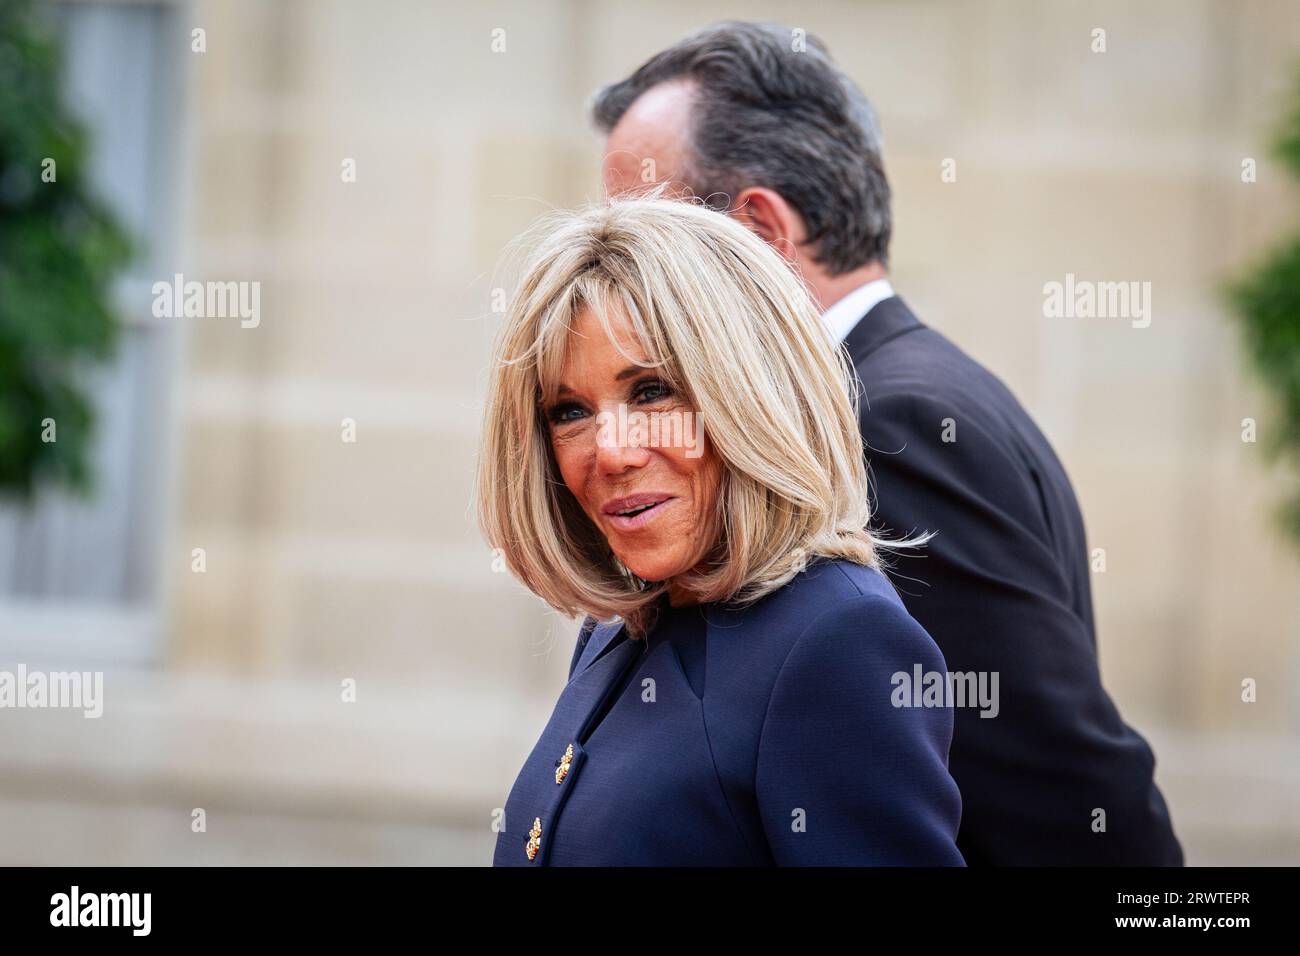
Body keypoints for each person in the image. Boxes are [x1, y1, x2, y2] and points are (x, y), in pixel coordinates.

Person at [591, 20, 1182, 865]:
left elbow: (1074, 807)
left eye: (644, 235)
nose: (609, 274)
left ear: (760, 231)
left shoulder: (886, 426)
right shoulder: (908, 390)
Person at [478, 196, 964, 866]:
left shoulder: (838, 641)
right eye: (570, 410)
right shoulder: (624, 623)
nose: (611, 452)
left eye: (652, 392)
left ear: (753, 393)